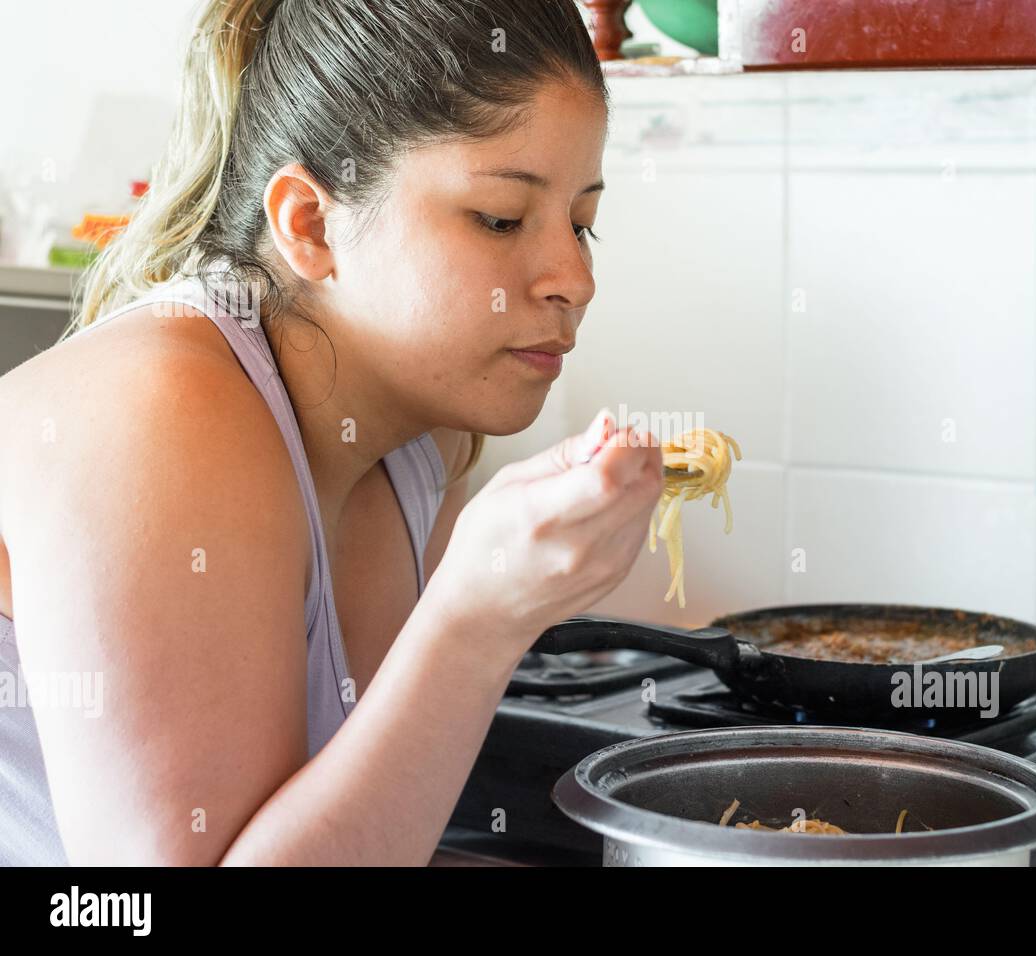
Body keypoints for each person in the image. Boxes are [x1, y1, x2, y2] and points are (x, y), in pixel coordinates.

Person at [0, 0, 662, 865]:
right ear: (311, 225)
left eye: (582, 222)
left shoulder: (427, 447)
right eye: (501, 217)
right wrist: (475, 618)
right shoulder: (159, 408)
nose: (575, 280)